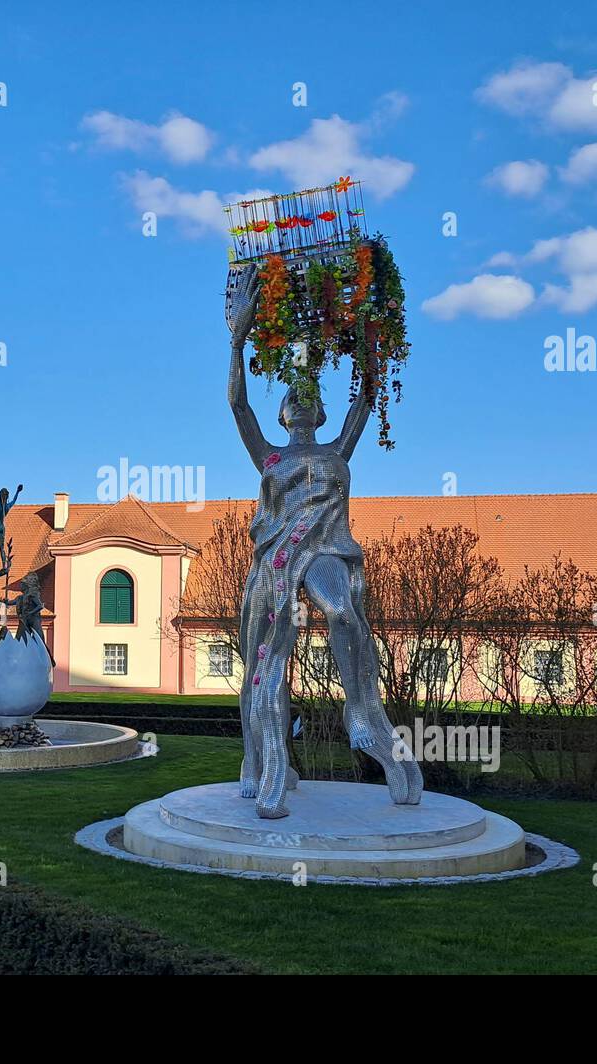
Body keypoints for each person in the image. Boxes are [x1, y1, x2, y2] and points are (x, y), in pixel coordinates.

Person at [227, 263, 422, 818]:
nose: (301, 400)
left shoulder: (337, 451)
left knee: (343, 615)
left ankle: (366, 724)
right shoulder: (268, 455)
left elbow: (366, 399)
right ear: (284, 412)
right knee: (264, 661)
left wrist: (367, 334)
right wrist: (238, 338)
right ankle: (266, 759)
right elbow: (238, 404)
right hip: (275, 565)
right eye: (292, 397)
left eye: (311, 396)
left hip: (327, 554)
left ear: (319, 410)